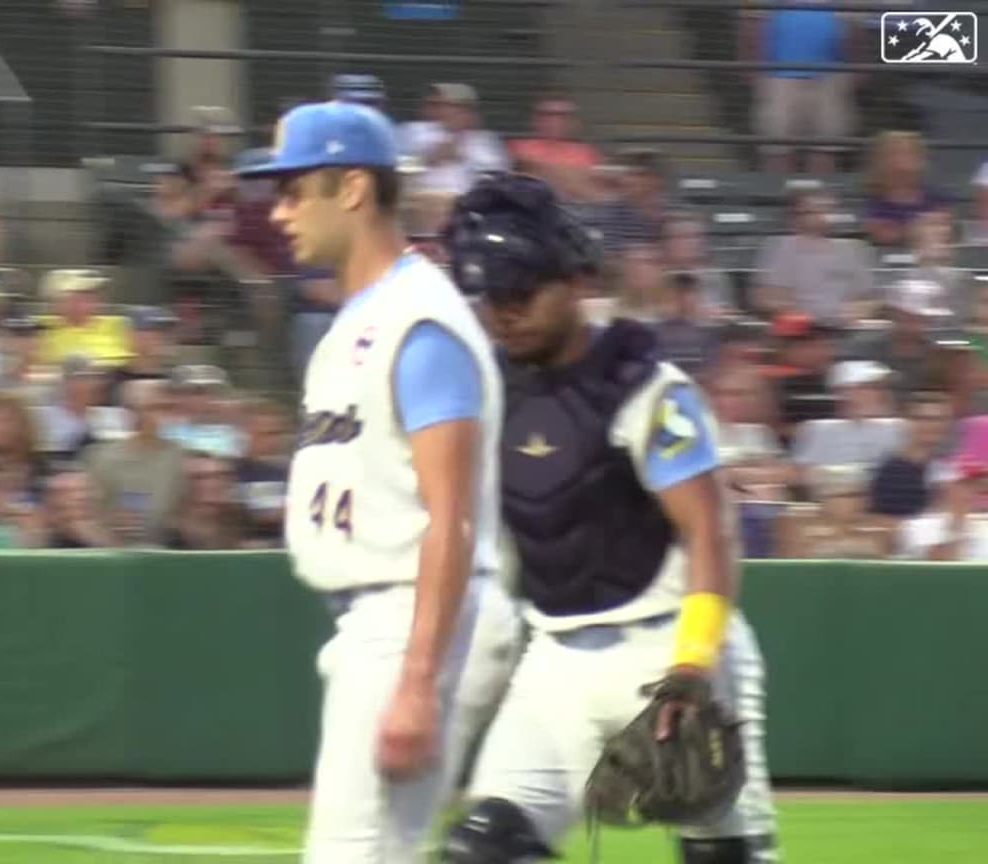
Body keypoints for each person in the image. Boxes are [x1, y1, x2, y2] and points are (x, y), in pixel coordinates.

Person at [439, 172, 777, 863]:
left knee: (722, 858)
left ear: (572, 280)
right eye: (490, 295)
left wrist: (692, 664)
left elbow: (710, 530)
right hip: (555, 660)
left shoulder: (646, 388)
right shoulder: (490, 390)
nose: (502, 310)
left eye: (520, 290)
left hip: (671, 654)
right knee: (482, 851)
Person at [237, 100, 506, 863]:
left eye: (294, 190)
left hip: (413, 621)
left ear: (352, 189)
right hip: (382, 620)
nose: (279, 210)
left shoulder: (418, 322)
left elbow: (451, 515)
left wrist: (419, 677)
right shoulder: (363, 319)